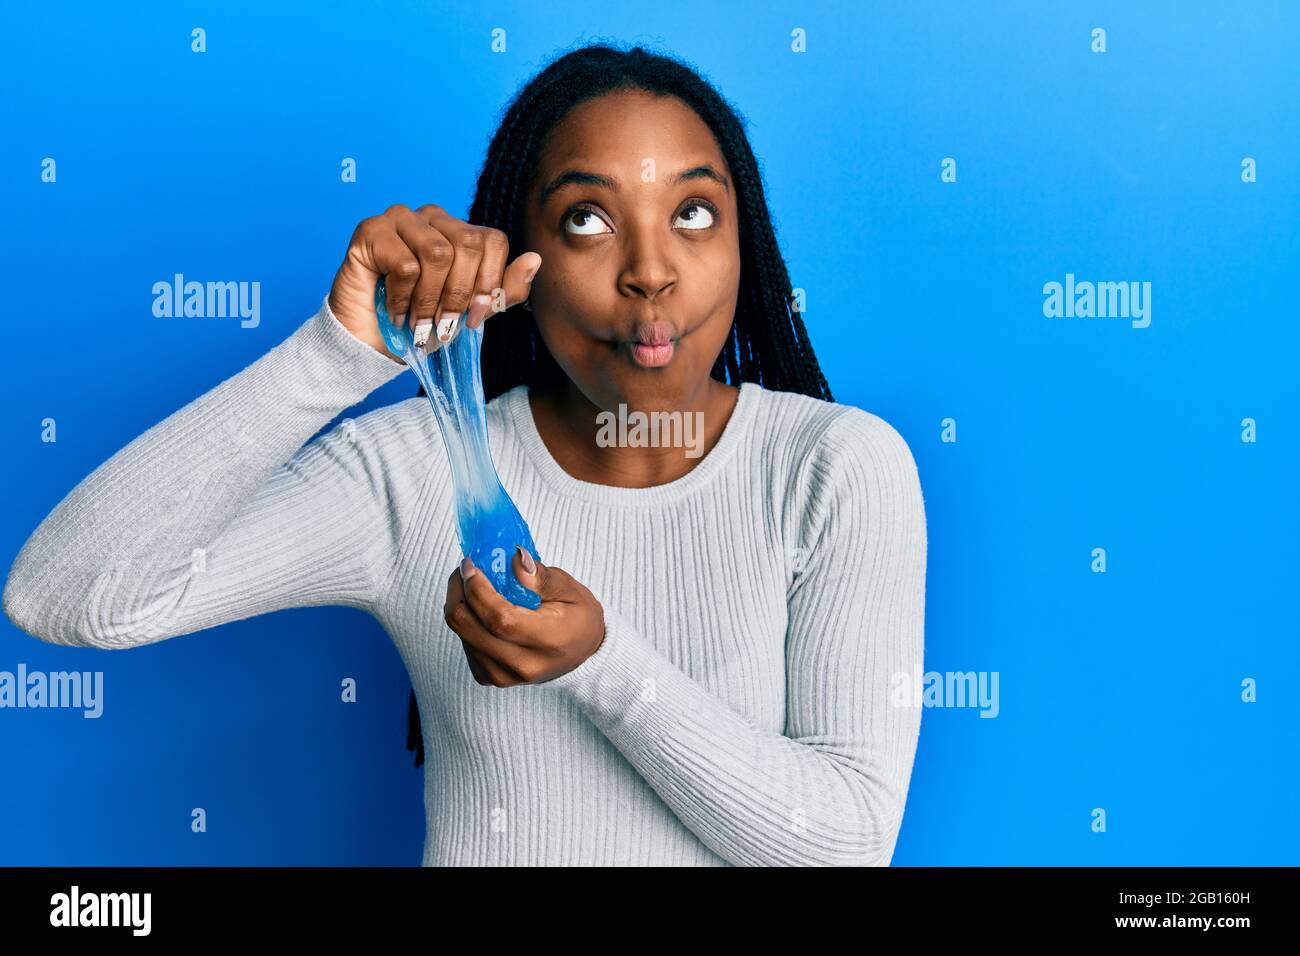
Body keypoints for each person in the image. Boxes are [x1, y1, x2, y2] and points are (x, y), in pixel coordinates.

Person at [3, 43, 927, 866]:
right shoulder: (414, 474)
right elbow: (64, 596)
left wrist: (601, 665)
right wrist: (337, 353)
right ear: (518, 257)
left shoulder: (835, 470)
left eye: (692, 213)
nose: (651, 268)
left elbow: (846, 846)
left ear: (744, 243)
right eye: (588, 221)